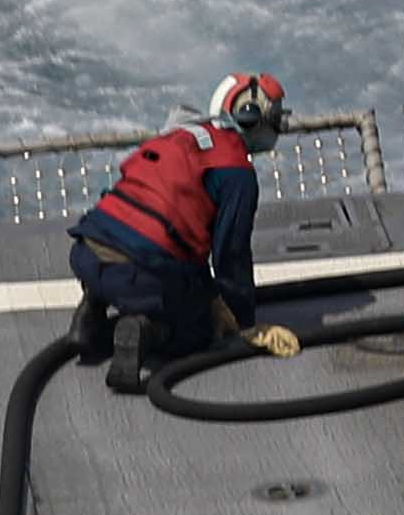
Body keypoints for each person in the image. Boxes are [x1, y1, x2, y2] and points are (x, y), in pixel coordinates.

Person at [67, 74, 298, 394]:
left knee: (142, 257)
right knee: (199, 328)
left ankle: (92, 309)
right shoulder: (237, 173)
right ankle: (147, 331)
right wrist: (241, 322)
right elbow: (231, 254)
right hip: (140, 273)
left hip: (86, 253)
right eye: (275, 119)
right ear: (250, 116)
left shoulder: (174, 137)